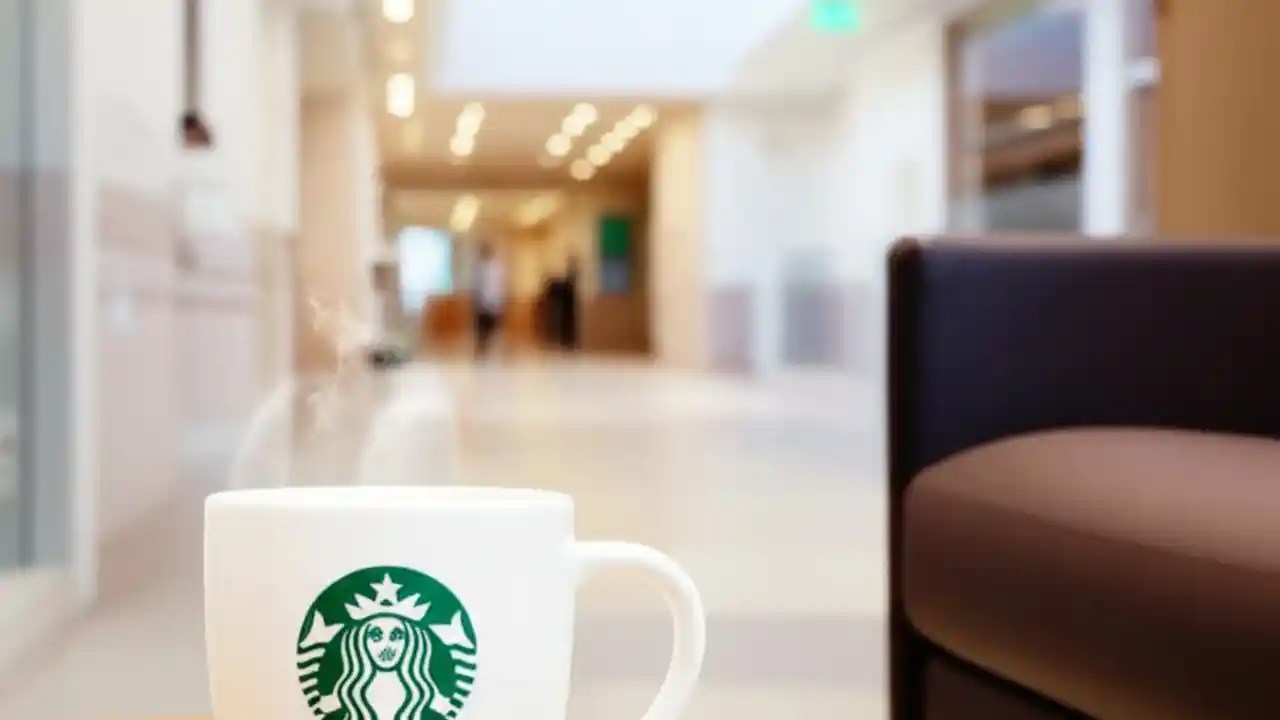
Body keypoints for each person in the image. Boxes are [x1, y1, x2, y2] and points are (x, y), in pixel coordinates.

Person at [473, 244, 505, 357]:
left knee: (492, 326)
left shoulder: (497, 268)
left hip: (494, 302)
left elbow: (499, 286)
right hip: (482, 303)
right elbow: (477, 286)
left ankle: (487, 346)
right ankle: (482, 346)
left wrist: (499, 302)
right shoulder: (479, 268)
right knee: (481, 327)